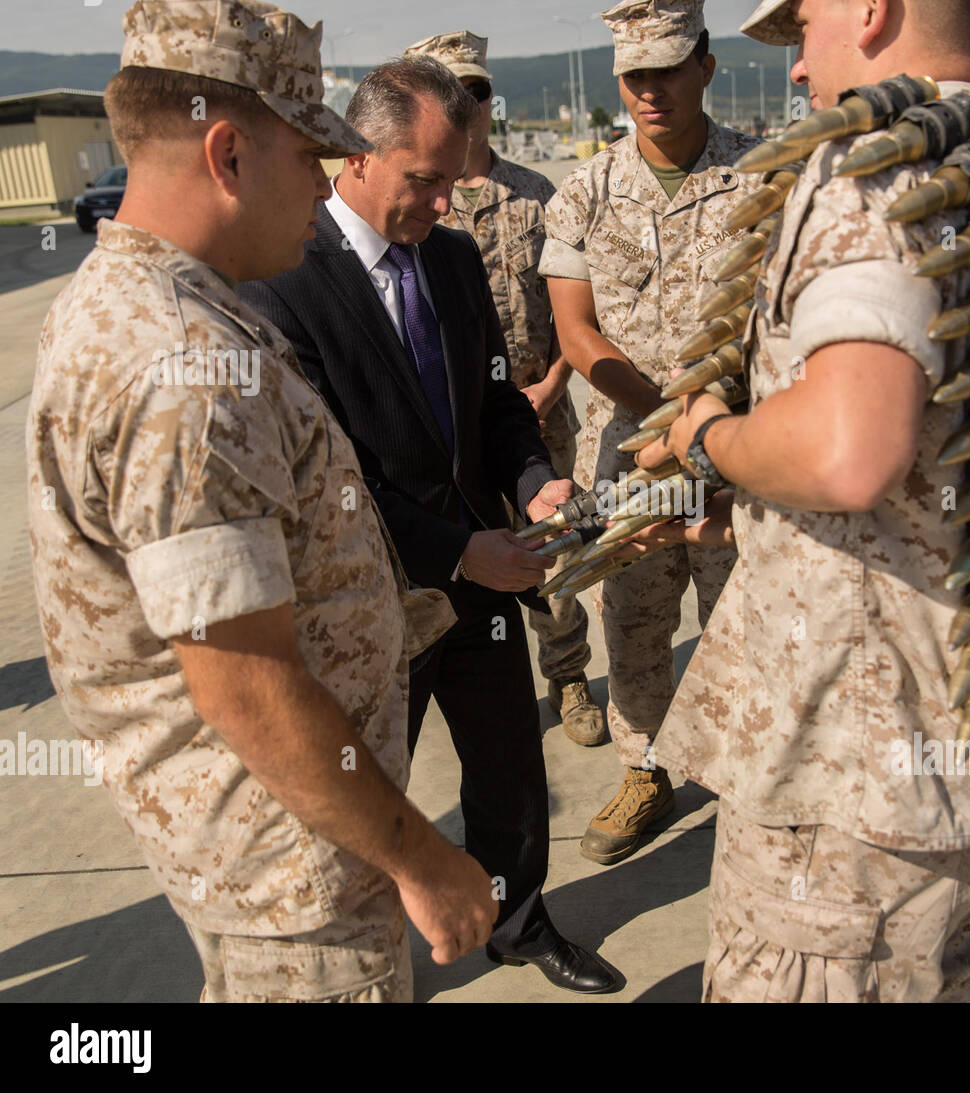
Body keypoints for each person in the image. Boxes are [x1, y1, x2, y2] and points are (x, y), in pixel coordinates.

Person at [27, 0, 497, 1002]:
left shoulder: (149, 305)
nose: (326, 187)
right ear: (228, 152)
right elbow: (245, 683)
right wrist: (419, 856)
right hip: (294, 867)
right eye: (309, 158)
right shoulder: (179, 364)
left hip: (267, 843)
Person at [633, 0, 970, 1002]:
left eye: (802, 27)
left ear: (872, 10)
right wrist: (758, 512)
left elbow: (851, 452)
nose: (799, 71)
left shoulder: (881, 172)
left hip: (851, 794)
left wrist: (708, 437)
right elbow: (944, 480)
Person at [238, 55, 618, 994]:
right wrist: (458, 549)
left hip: (485, 574)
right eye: (425, 180)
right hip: (368, 600)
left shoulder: (450, 260)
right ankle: (368, 963)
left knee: (510, 775)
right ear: (357, 158)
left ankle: (518, 918)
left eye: (454, 180)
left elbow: (496, 407)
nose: (445, 203)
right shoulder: (284, 279)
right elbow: (334, 481)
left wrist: (535, 482)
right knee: (366, 797)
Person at [542, 0, 765, 866]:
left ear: (705, 67)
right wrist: (674, 424)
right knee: (633, 619)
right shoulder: (585, 193)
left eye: (666, 69)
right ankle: (646, 769)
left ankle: (748, 779)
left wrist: (713, 435)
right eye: (633, 75)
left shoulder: (766, 180)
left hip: (739, 454)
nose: (649, 90)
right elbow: (577, 335)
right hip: (630, 458)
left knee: (741, 615)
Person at [404, 30, 606, 749]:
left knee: (547, 551)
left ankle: (570, 674)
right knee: (464, 555)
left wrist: (553, 384)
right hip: (452, 421)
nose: (469, 103)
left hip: (536, 410)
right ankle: (480, 680)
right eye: (452, 89)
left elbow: (571, 306)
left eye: (478, 89)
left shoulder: (538, 195)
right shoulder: (417, 201)